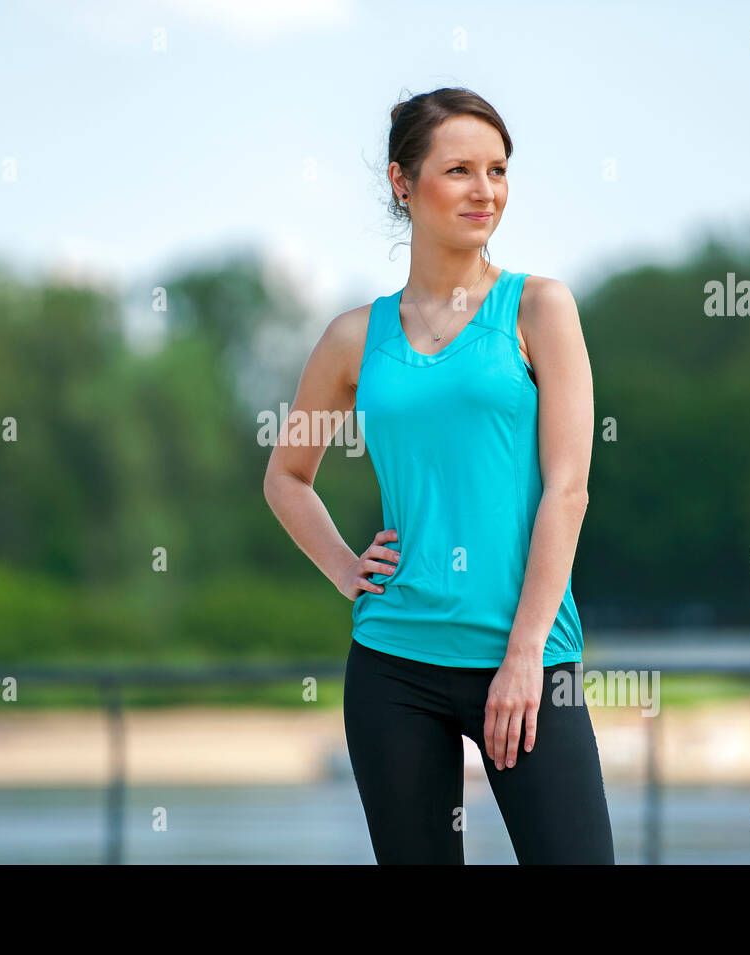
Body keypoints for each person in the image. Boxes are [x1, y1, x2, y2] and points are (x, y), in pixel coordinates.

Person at [262, 87, 614, 864]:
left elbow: (569, 489)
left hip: (530, 661)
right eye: (459, 169)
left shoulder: (539, 309)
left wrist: (524, 655)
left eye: (498, 169)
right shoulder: (355, 338)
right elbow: (287, 476)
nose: (485, 190)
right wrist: (349, 570)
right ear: (403, 182)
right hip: (395, 666)